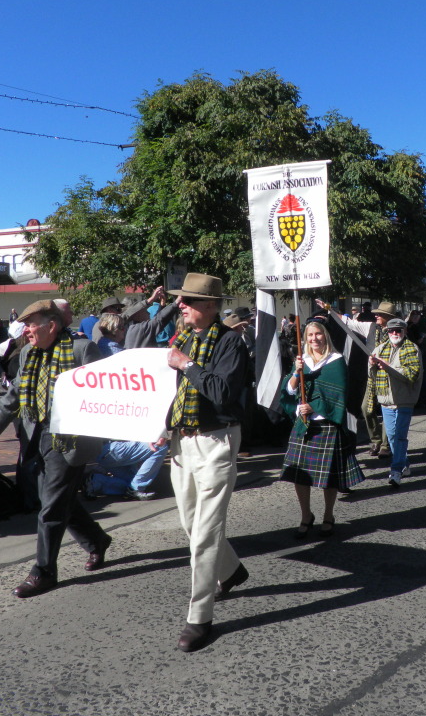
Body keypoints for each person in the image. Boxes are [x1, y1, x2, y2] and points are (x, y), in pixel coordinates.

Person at [0, 300, 111, 599]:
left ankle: (44, 571)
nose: (25, 330)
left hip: (69, 439)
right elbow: (16, 392)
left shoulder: (82, 350)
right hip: (35, 435)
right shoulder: (28, 352)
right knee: (57, 499)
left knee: (51, 506)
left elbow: (103, 394)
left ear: (51, 326)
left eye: (31, 324)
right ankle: (96, 540)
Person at [163, 273, 248, 653]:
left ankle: (199, 617)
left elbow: (222, 392)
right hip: (183, 441)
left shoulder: (230, 342)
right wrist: (160, 425)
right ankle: (231, 570)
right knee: (189, 523)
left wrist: (187, 365)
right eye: (181, 299)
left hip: (217, 442)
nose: (180, 305)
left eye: (188, 300)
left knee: (204, 534)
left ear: (211, 306)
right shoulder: (183, 340)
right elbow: (174, 393)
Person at [280, 321, 364, 537]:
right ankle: (306, 515)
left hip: (327, 425)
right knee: (299, 475)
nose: (314, 338)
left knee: (330, 477)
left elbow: (339, 395)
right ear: (305, 339)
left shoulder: (336, 361)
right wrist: (297, 373)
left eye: (318, 334)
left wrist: (314, 406)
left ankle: (328, 514)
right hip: (304, 425)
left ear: (325, 336)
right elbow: (289, 391)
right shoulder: (302, 361)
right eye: (310, 335)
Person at [320, 298, 398, 458]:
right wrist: (329, 308)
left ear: (388, 317)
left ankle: (385, 445)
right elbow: (348, 322)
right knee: (366, 409)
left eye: (380, 314)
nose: (376, 316)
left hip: (389, 375)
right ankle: (376, 439)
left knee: (387, 409)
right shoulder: (370, 327)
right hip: (373, 374)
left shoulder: (397, 332)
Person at [370, 317, 422, 488]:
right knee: (392, 437)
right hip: (386, 401)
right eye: (391, 330)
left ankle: (396, 470)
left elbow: (412, 374)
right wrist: (372, 365)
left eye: (398, 330)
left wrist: (388, 367)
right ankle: (404, 464)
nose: (394, 333)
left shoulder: (412, 349)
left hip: (404, 400)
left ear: (404, 331)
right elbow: (371, 376)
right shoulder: (380, 348)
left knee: (399, 436)